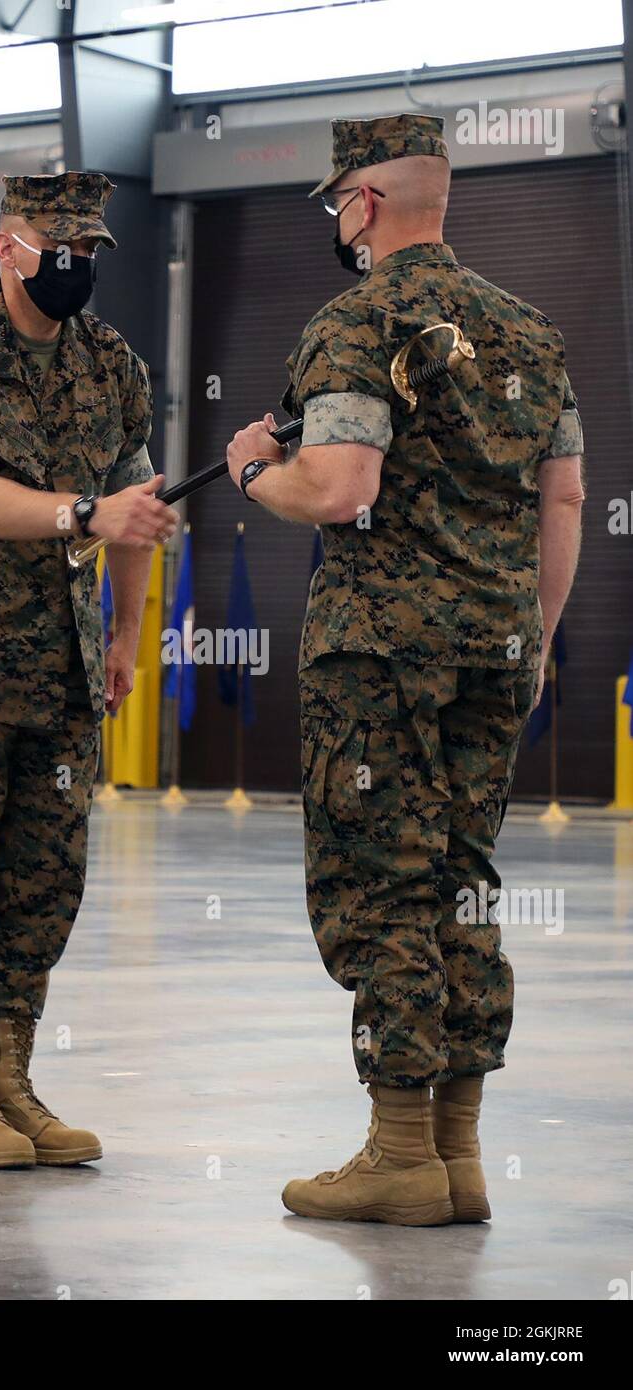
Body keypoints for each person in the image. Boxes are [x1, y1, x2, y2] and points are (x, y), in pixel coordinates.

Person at [225, 115, 584, 1224]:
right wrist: (529, 637)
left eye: (338, 201)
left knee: (381, 886)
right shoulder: (528, 331)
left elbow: (336, 488)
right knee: (464, 882)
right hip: (493, 654)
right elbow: (561, 498)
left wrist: (248, 473)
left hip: (379, 661)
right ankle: (457, 1155)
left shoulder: (357, 319)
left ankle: (395, 1153)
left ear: (363, 203)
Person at [0, 171, 179, 1169]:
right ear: (7, 249)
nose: (76, 267)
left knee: (43, 883)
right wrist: (79, 513)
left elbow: (136, 506)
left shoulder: (111, 364)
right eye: (59, 250)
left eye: (89, 252)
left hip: (58, 674)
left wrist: (130, 641)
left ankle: (9, 1078)